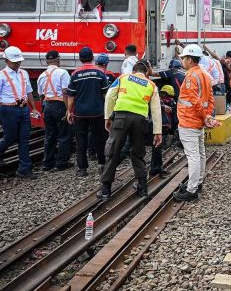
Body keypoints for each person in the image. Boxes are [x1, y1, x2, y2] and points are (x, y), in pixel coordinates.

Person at [98, 60, 163, 200]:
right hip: (140, 121)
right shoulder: (151, 85)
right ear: (146, 72)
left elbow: (110, 96)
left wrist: (107, 117)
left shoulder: (123, 78)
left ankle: (105, 191)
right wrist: (158, 132)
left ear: (133, 70)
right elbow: (156, 110)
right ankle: (142, 188)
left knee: (113, 151)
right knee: (137, 153)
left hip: (121, 118)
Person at [173, 44, 218, 201]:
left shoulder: (191, 76)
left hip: (189, 120)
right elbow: (210, 98)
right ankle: (197, 182)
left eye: (184, 58)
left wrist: (205, 117)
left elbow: (194, 100)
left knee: (193, 156)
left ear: (190, 60)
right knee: (200, 153)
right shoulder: (204, 74)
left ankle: (191, 190)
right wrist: (207, 116)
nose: (182, 61)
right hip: (197, 121)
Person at [0, 46, 40, 179]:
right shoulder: (0, 76)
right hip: (7, 109)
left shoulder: (24, 73)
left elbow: (29, 92)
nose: (17, 63)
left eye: (18, 61)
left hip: (23, 108)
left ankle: (24, 169)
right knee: (10, 137)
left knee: (24, 139)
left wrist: (33, 108)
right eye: (14, 61)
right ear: (6, 60)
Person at [66, 47, 109, 176]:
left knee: (81, 140)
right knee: (100, 139)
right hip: (98, 112)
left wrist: (69, 111)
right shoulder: (100, 73)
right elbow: (105, 94)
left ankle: (82, 168)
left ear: (80, 59)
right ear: (92, 58)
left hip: (80, 113)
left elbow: (71, 96)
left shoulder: (75, 74)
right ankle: (102, 164)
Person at [37, 50, 72, 171]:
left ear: (47, 61)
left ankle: (47, 162)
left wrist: (44, 106)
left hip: (48, 105)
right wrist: (68, 110)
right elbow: (65, 92)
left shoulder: (42, 75)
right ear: (58, 59)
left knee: (49, 135)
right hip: (60, 104)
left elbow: (41, 95)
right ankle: (61, 163)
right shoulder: (63, 73)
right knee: (64, 134)